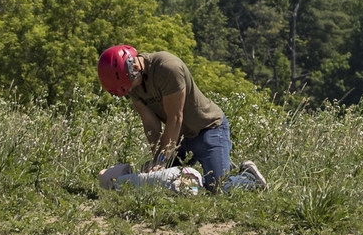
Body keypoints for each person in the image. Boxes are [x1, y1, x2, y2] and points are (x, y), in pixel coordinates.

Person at [97, 44, 265, 191]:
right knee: (165, 181)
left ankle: (248, 178)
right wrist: (158, 162)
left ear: (134, 67)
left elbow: (175, 118)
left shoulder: (168, 68)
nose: (131, 91)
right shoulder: (130, 84)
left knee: (217, 188)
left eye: (128, 86)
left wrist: (163, 159)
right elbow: (150, 125)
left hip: (209, 130)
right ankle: (220, 166)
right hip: (182, 138)